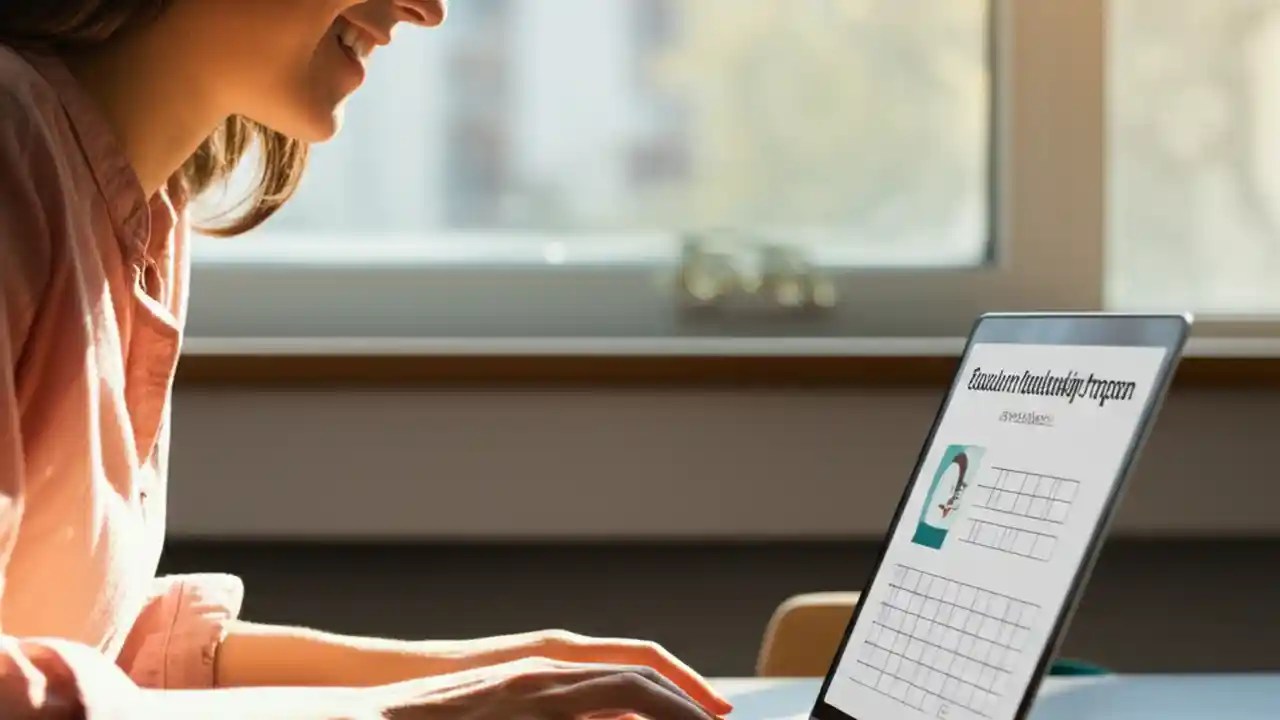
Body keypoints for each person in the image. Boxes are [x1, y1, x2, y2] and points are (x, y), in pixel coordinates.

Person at [0, 2, 735, 718]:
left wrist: (500, 673)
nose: (427, 10)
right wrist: (399, 713)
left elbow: (79, 641)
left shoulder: (142, 212)